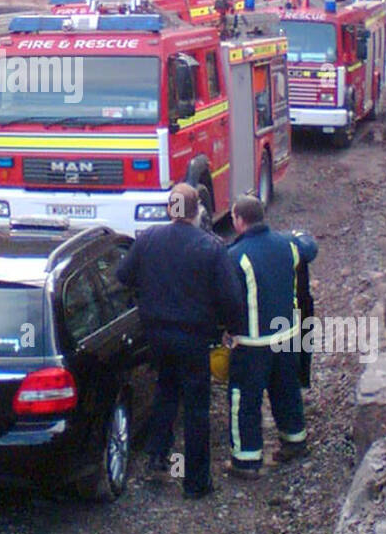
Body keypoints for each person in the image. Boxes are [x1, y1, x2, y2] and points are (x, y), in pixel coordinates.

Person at [118, 183, 245, 499]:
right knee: (197, 406)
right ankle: (195, 482)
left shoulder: (148, 239)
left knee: (165, 391)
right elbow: (230, 297)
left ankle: (158, 461)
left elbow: (123, 275)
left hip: (157, 336)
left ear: (169, 209)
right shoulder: (211, 247)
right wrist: (233, 328)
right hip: (193, 337)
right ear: (198, 210)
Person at [225, 194, 318, 478]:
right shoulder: (287, 245)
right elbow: (309, 247)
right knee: (286, 390)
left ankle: (246, 461)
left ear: (239, 221)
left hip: (252, 344)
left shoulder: (235, 256)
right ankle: (295, 441)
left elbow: (227, 298)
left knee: (245, 402)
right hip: (287, 336)